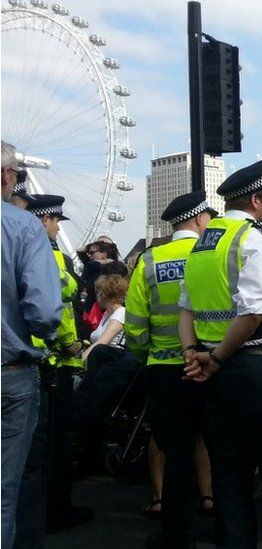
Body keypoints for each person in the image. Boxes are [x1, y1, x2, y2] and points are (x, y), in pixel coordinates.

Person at [180, 160, 262, 548]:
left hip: (215, 377)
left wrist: (195, 353)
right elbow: (254, 312)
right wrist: (218, 356)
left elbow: (185, 307)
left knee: (231, 477)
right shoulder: (255, 238)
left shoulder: (204, 242)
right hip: (257, 368)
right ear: (256, 199)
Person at [125, 191, 218, 548]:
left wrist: (145, 352)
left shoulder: (150, 261)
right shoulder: (211, 254)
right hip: (211, 365)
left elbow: (134, 323)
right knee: (218, 443)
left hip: (164, 369)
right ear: (198, 220)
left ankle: (179, 534)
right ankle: (222, 518)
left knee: (176, 453)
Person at [1, 141, 62, 549]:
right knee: (4, 491)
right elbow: (43, 310)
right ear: (7, 176)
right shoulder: (22, 226)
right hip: (9, 376)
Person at [20, 194, 91, 539]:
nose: (55, 228)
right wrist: (69, 344)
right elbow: (56, 306)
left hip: (24, 358)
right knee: (54, 444)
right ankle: (57, 510)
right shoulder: (50, 255)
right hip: (53, 362)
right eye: (55, 221)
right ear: (45, 219)